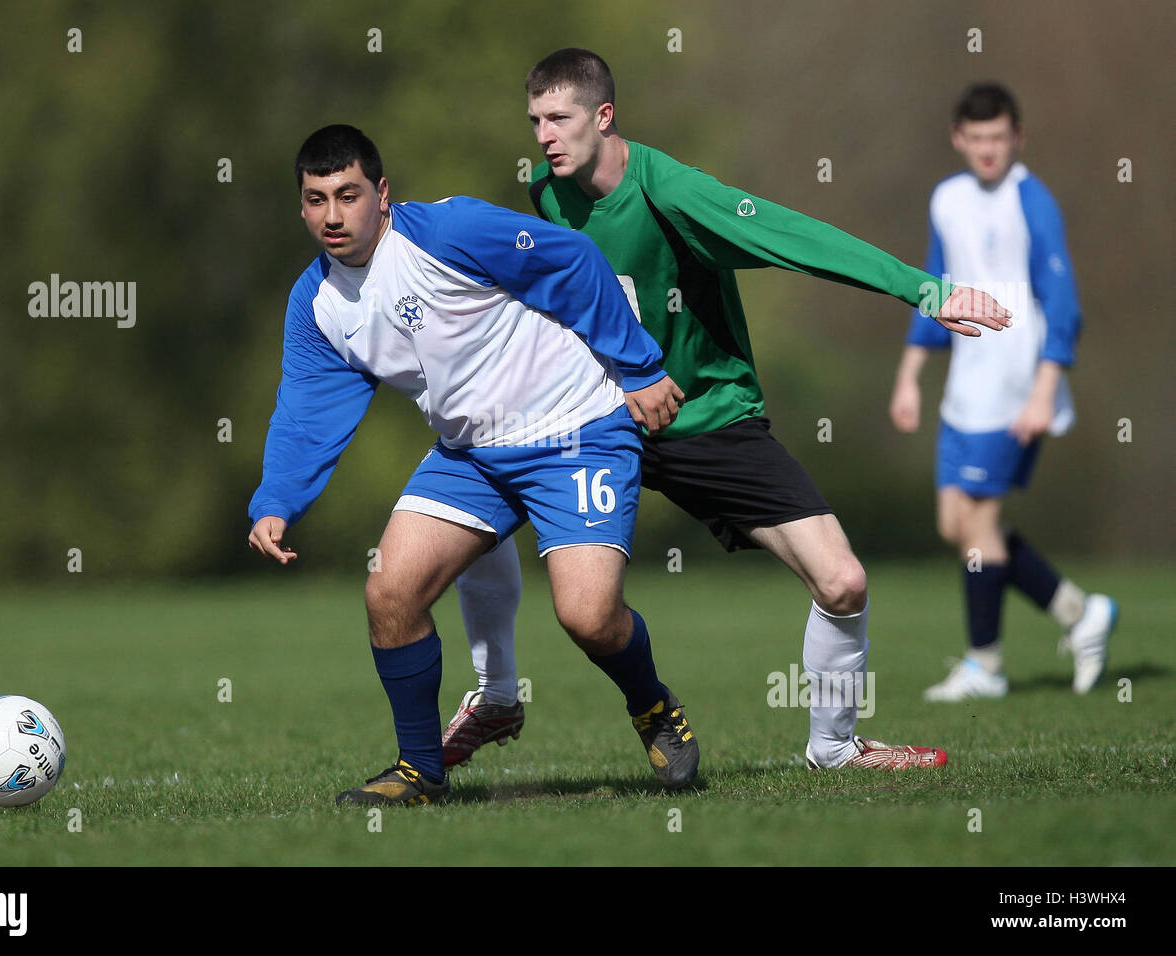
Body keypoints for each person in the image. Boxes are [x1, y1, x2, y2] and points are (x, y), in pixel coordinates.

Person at [442, 48, 1011, 773]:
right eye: (536, 121)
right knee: (472, 492)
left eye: (560, 118)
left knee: (843, 582)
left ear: (604, 116)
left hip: (703, 420)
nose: (544, 136)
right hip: (596, 415)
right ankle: (495, 696)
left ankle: (834, 748)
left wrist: (923, 290)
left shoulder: (672, 191)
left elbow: (790, 235)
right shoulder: (547, 192)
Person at [247, 124, 697, 806]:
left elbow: (571, 258)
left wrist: (636, 366)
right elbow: (308, 405)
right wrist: (276, 499)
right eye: (316, 200)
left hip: (575, 430)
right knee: (389, 594)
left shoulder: (450, 232)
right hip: (472, 455)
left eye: (348, 195)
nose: (333, 216)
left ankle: (652, 704)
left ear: (383, 194)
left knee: (588, 617)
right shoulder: (317, 305)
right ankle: (420, 772)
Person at [889, 83, 1117, 700]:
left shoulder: (1033, 201)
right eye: (977, 138)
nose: (988, 150)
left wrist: (1046, 391)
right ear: (959, 138)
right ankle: (1079, 613)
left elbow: (1063, 304)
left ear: (1017, 137)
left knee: (980, 524)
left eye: (999, 138)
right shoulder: (948, 199)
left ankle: (984, 665)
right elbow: (936, 288)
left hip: (1017, 384)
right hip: (966, 384)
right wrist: (910, 373)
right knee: (954, 526)